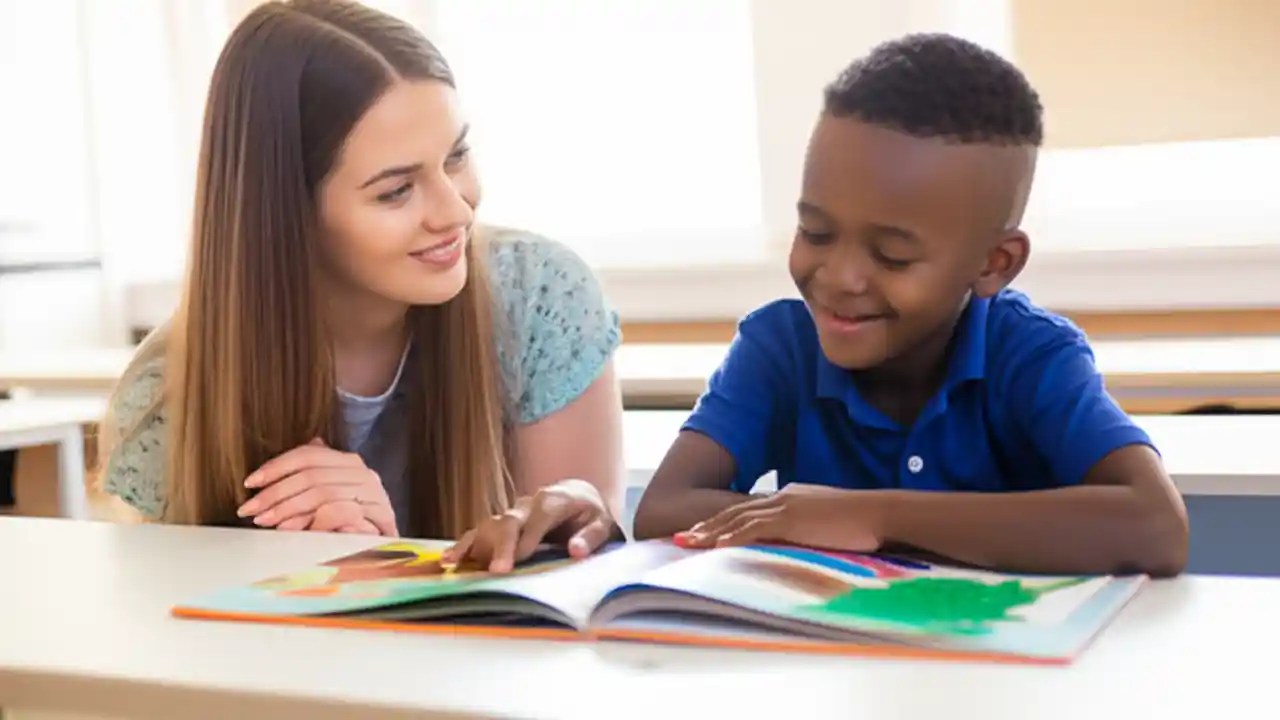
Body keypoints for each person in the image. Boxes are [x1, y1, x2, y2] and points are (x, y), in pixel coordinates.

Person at [633, 34, 1189, 577]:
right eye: (816, 232)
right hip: (834, 655)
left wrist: (867, 515)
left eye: (892, 256)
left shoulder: (1030, 354)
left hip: (1004, 661)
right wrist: (810, 519)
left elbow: (1156, 527)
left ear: (993, 263)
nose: (840, 277)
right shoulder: (780, 348)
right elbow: (661, 510)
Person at [99, 0, 625, 572]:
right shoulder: (166, 398)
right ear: (285, 217)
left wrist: (396, 563)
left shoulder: (541, 298)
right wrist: (340, 569)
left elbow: (568, 601)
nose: (455, 212)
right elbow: (181, 648)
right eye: (395, 190)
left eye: (456, 157)